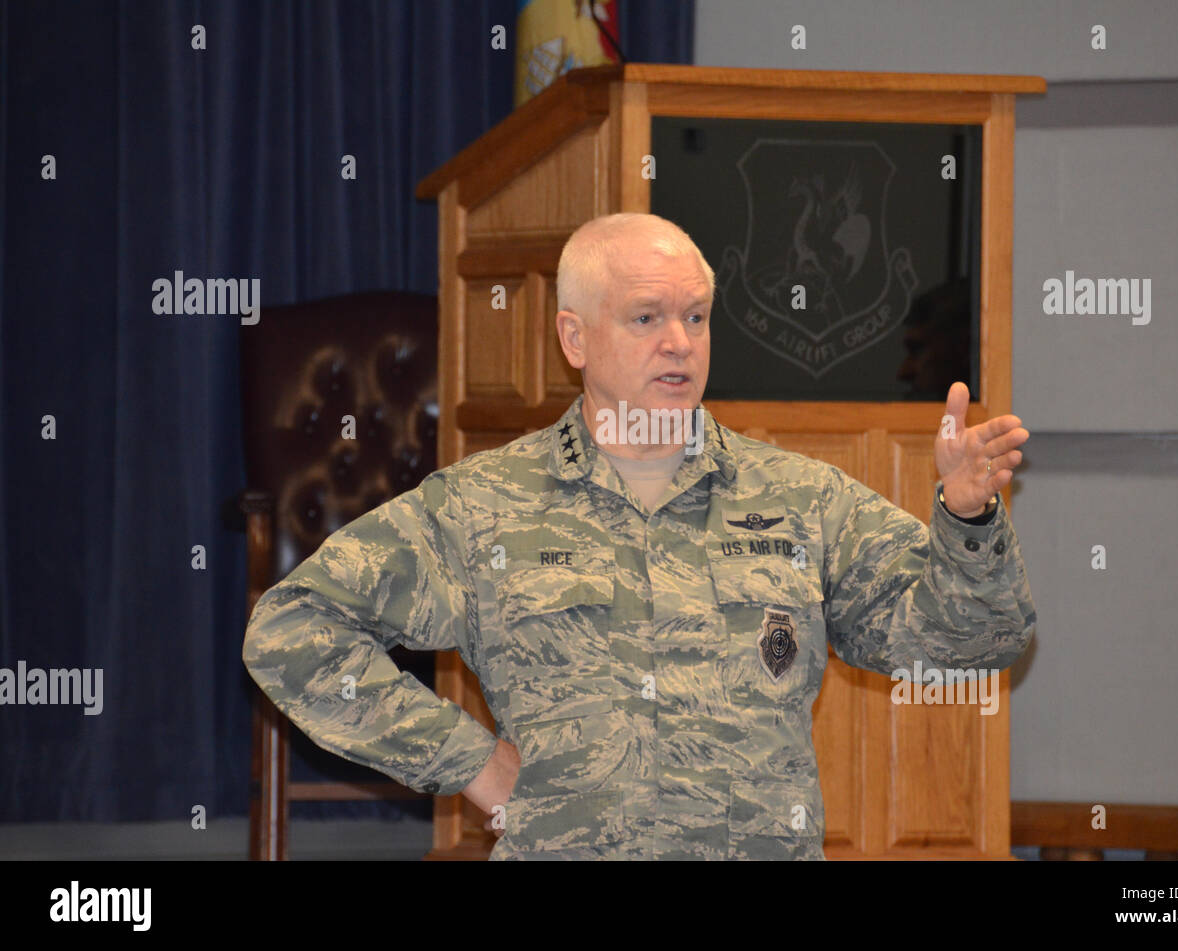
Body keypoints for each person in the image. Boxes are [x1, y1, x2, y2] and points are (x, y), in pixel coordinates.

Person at [242, 212, 1036, 860]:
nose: (680, 343)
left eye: (696, 317)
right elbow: (291, 630)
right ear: (575, 338)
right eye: (648, 318)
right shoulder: (484, 505)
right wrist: (472, 763)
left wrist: (967, 521)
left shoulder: (800, 500)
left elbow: (979, 642)